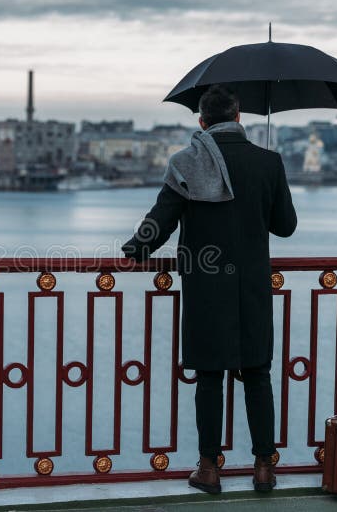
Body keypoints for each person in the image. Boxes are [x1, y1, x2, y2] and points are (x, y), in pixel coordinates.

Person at [121, 84, 297, 495]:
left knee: (209, 378)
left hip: (205, 287)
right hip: (252, 285)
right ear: (239, 119)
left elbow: (160, 222)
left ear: (202, 122)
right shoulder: (268, 162)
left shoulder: (186, 162)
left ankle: (208, 469)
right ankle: (264, 469)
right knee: (258, 375)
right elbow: (285, 226)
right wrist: (265, 188)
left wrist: (134, 249)